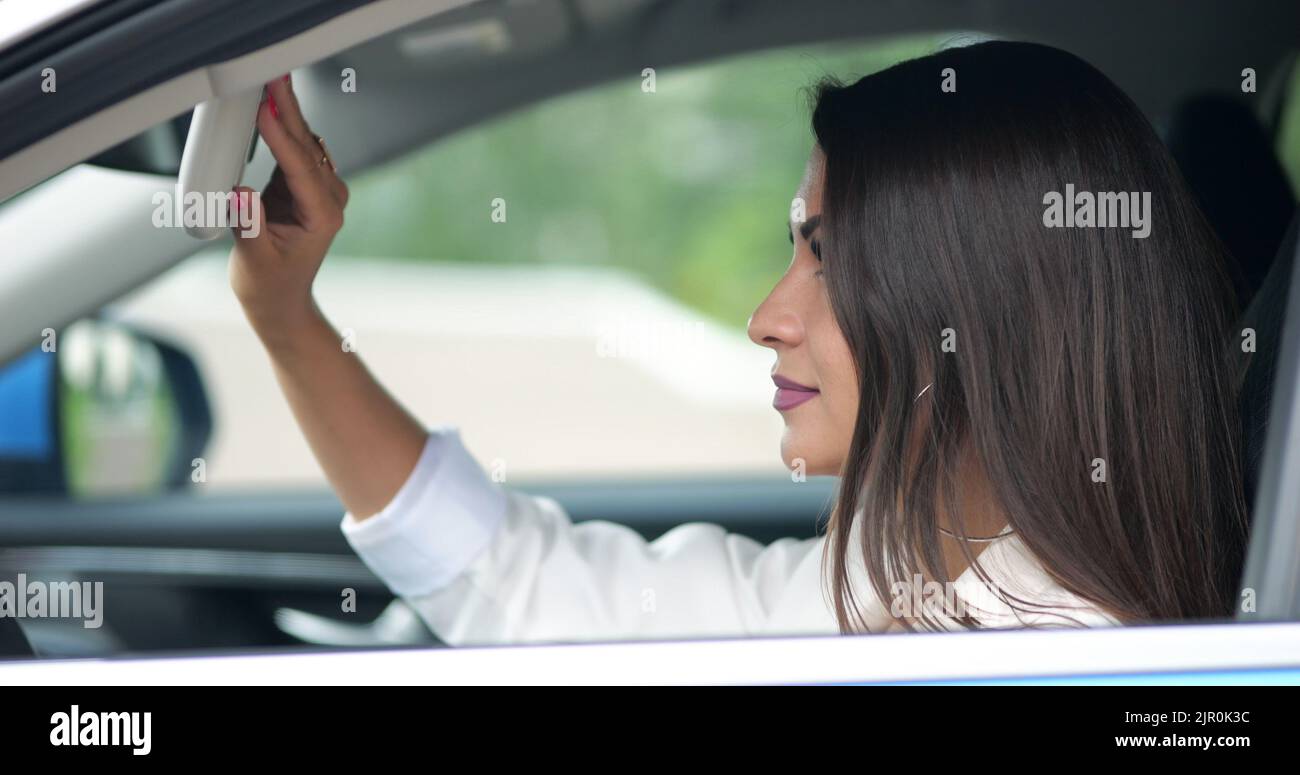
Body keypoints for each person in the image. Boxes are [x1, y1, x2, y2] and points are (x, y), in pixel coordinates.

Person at [228, 41, 1248, 645]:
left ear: (985, 315)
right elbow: (532, 588)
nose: (766, 314)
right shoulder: (904, 590)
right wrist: (288, 320)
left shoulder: (1038, 654)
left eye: (829, 260)